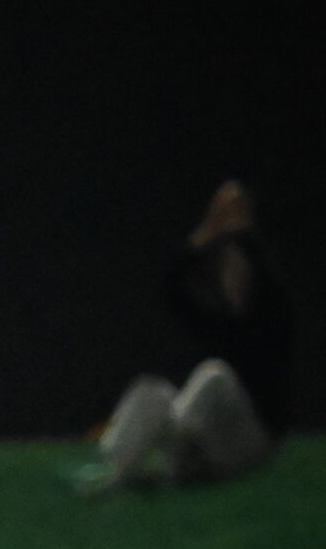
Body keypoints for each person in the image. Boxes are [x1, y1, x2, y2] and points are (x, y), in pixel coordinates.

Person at [83, 180, 294, 493]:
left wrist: (241, 229)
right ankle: (117, 470)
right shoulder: (215, 321)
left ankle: (166, 456)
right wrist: (207, 231)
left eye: (241, 269)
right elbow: (169, 289)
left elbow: (271, 280)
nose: (234, 276)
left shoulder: (272, 315)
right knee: (150, 389)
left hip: (249, 444)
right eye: (227, 269)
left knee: (215, 376)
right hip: (202, 444)